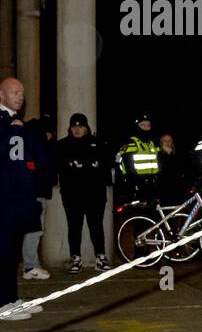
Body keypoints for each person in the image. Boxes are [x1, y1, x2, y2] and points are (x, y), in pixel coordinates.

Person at [0, 78, 46, 321]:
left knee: (12, 251)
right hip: (0, 198)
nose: (20, 96)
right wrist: (14, 130)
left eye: (22, 93)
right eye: (15, 92)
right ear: (1, 94)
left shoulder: (18, 122)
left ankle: (12, 300)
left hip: (18, 198)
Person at [57, 113, 112, 273]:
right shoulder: (63, 145)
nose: (77, 129)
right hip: (72, 195)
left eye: (81, 126)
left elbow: (105, 166)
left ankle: (100, 257)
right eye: (74, 126)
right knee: (74, 227)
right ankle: (76, 258)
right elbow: (60, 168)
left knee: (96, 226)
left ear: (87, 127)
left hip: (95, 194)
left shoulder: (97, 144)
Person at [20, 114, 56, 280]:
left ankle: (30, 265)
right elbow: (41, 166)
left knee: (31, 230)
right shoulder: (39, 141)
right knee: (34, 230)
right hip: (36, 191)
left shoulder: (29, 136)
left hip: (31, 190)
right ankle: (30, 265)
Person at [117, 114, 160, 205]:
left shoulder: (152, 143)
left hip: (152, 184)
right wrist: (135, 183)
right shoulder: (130, 142)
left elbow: (158, 162)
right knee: (139, 214)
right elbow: (128, 165)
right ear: (137, 126)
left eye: (148, 126)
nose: (146, 128)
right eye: (142, 125)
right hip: (137, 185)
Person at [157, 133, 190, 206]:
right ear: (161, 142)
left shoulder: (178, 154)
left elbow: (183, 169)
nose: (168, 143)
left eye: (169, 141)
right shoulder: (158, 154)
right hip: (163, 187)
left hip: (177, 187)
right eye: (165, 141)